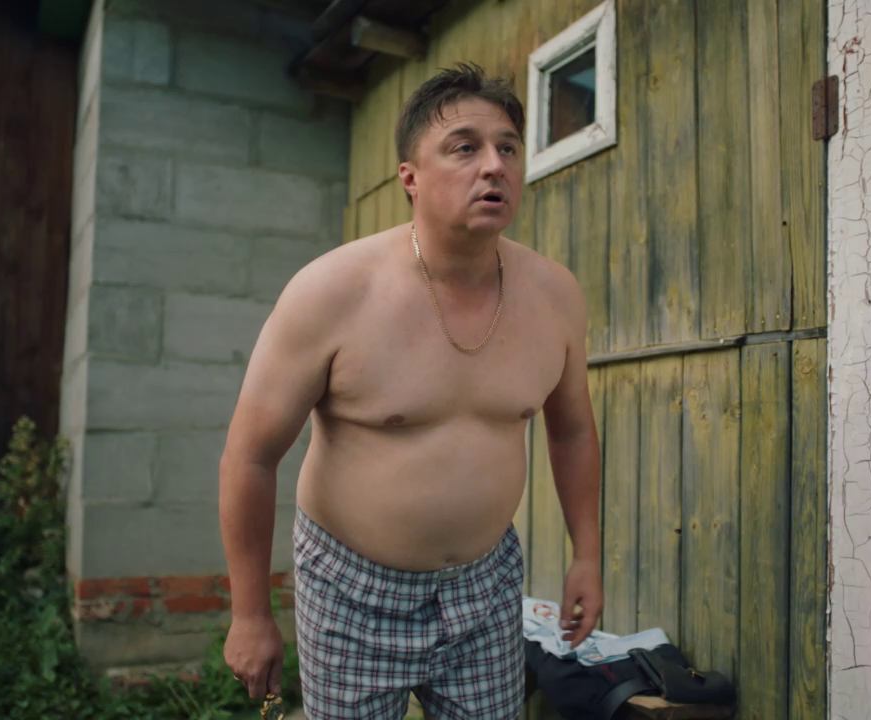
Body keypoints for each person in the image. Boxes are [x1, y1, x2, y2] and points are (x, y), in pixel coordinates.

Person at [219, 63, 604, 719]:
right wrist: (250, 613)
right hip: (349, 590)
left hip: (486, 587)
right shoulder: (332, 292)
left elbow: (571, 431)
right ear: (410, 178)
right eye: (465, 148)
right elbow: (250, 457)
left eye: (508, 148)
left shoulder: (555, 295)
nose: (494, 166)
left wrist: (586, 555)